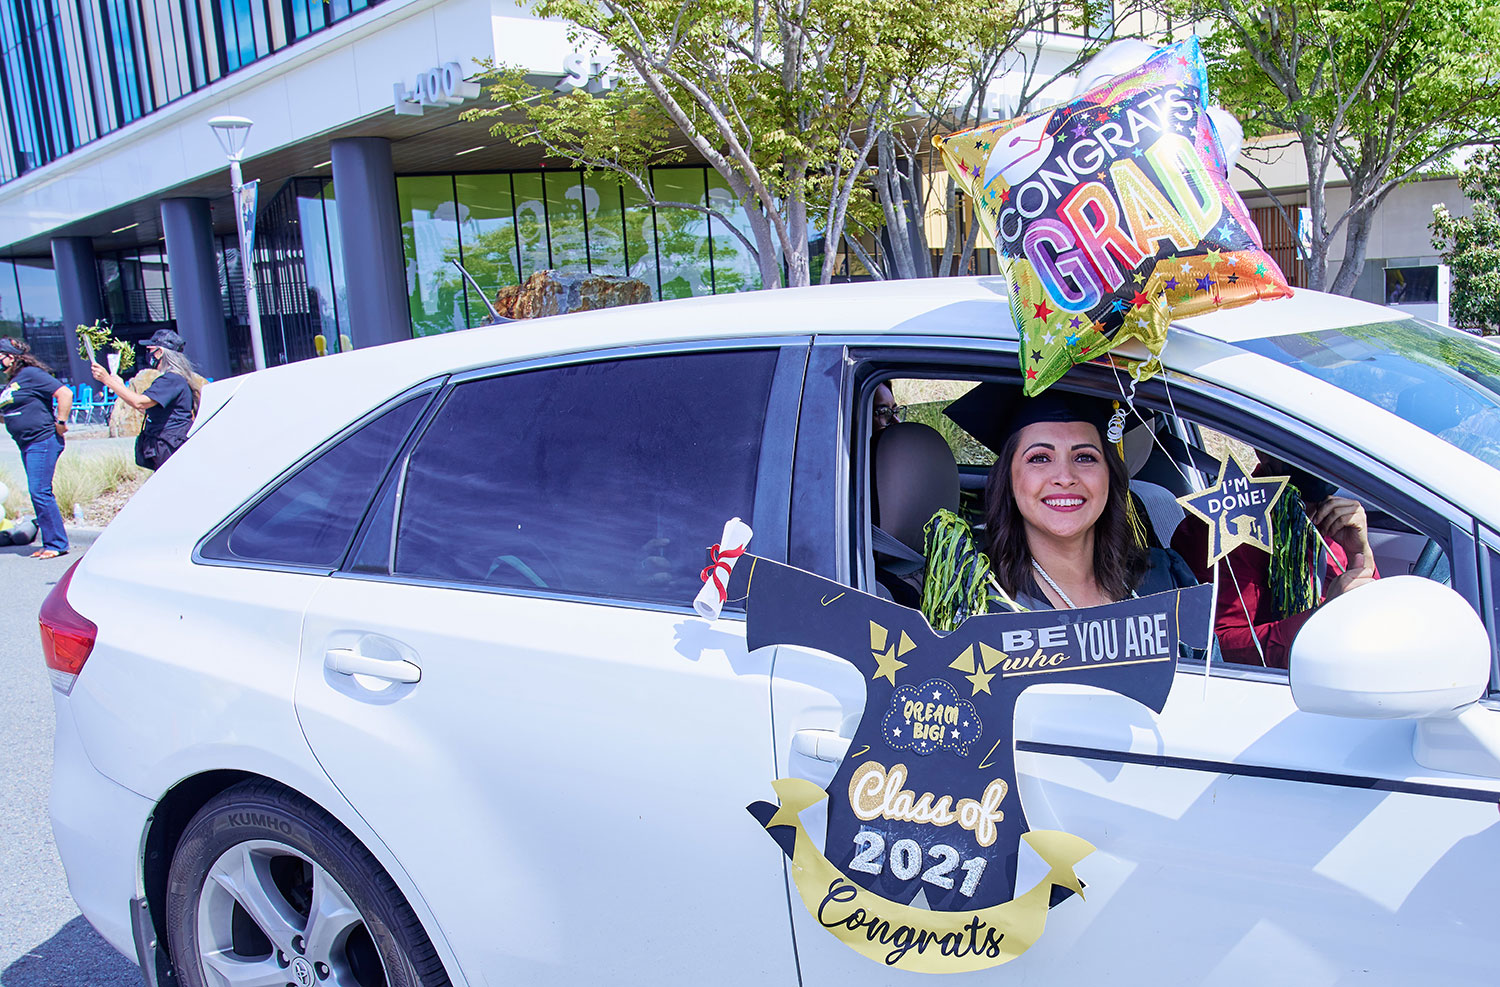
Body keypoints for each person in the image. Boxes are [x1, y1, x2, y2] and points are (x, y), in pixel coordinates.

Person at [946, 383, 1197, 611]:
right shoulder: (978, 598)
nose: (1065, 477)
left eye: (1085, 457)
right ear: (1009, 479)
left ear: (1110, 475)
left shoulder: (1165, 580)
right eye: (1040, 458)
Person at [1170, 459, 1377, 668]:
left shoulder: (1336, 524)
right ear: (1262, 452)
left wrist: (1360, 554)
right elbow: (1213, 651)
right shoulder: (1223, 529)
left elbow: (1374, 624)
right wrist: (1318, 623)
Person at [0, 337, 72, 558]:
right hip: (27, 442)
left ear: (11, 357)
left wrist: (61, 422)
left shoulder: (30, 374)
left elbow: (64, 393)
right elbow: (8, 414)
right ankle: (50, 541)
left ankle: (57, 544)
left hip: (42, 440)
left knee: (39, 491)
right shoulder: (12, 382)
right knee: (38, 492)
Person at [93, 328, 200, 471]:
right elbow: (145, 408)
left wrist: (107, 380)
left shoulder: (171, 379)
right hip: (166, 443)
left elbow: (139, 402)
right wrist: (119, 385)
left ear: (160, 352)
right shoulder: (174, 379)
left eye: (150, 350)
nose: (148, 355)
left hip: (168, 444)